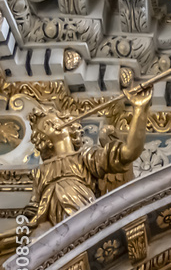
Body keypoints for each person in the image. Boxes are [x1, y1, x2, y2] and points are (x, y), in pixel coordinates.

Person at [26, 88, 152, 227]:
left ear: (69, 124)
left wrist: (140, 108)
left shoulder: (85, 158)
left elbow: (129, 152)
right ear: (43, 139)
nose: (52, 124)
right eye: (46, 125)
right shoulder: (40, 171)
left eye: (53, 121)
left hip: (83, 216)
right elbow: (33, 210)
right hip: (51, 231)